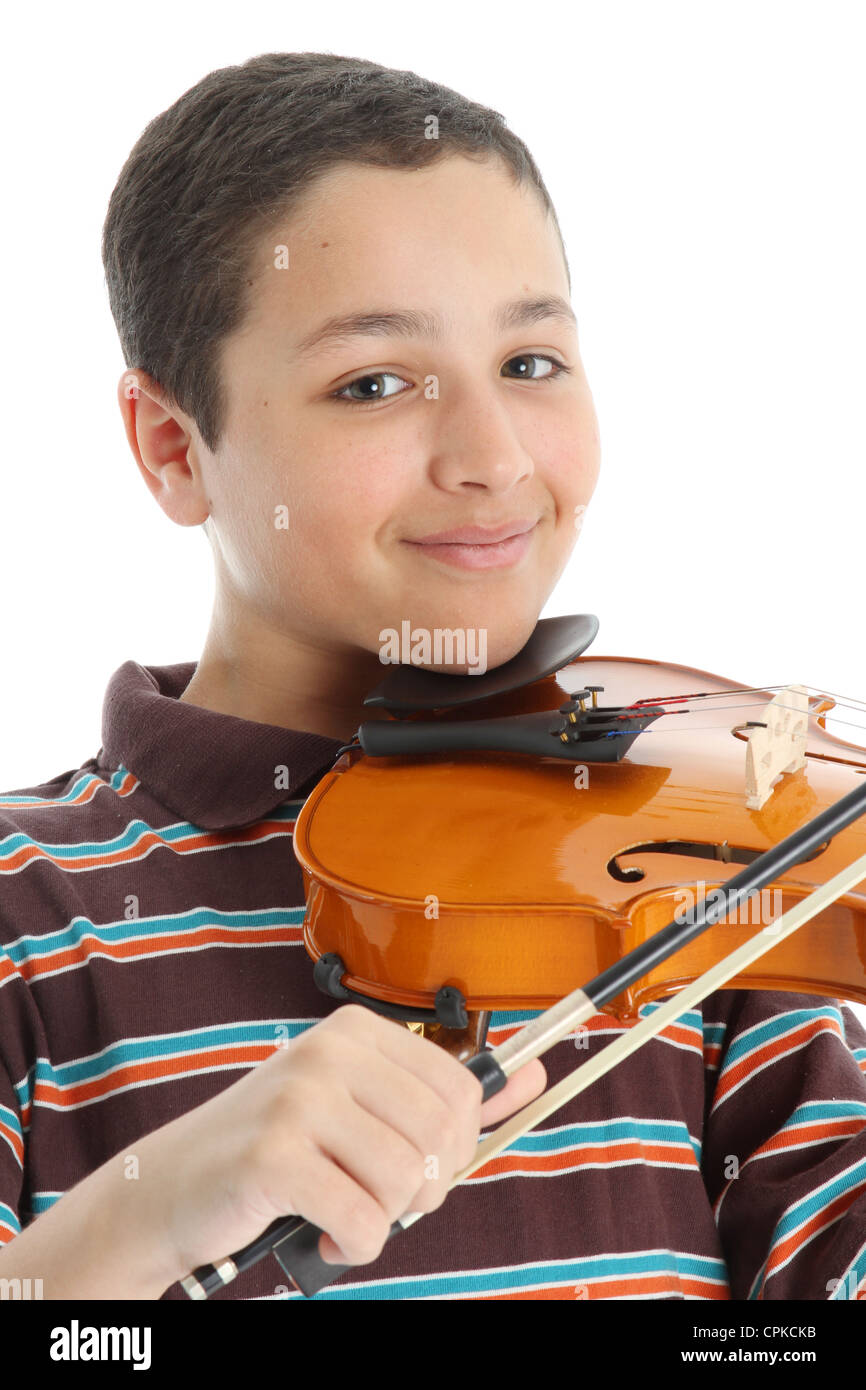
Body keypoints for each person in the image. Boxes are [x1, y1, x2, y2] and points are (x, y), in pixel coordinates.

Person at [1, 52, 864, 1302]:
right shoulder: (31, 917)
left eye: (528, 363)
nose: (493, 458)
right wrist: (149, 1216)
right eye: (374, 383)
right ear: (173, 446)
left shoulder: (702, 900)